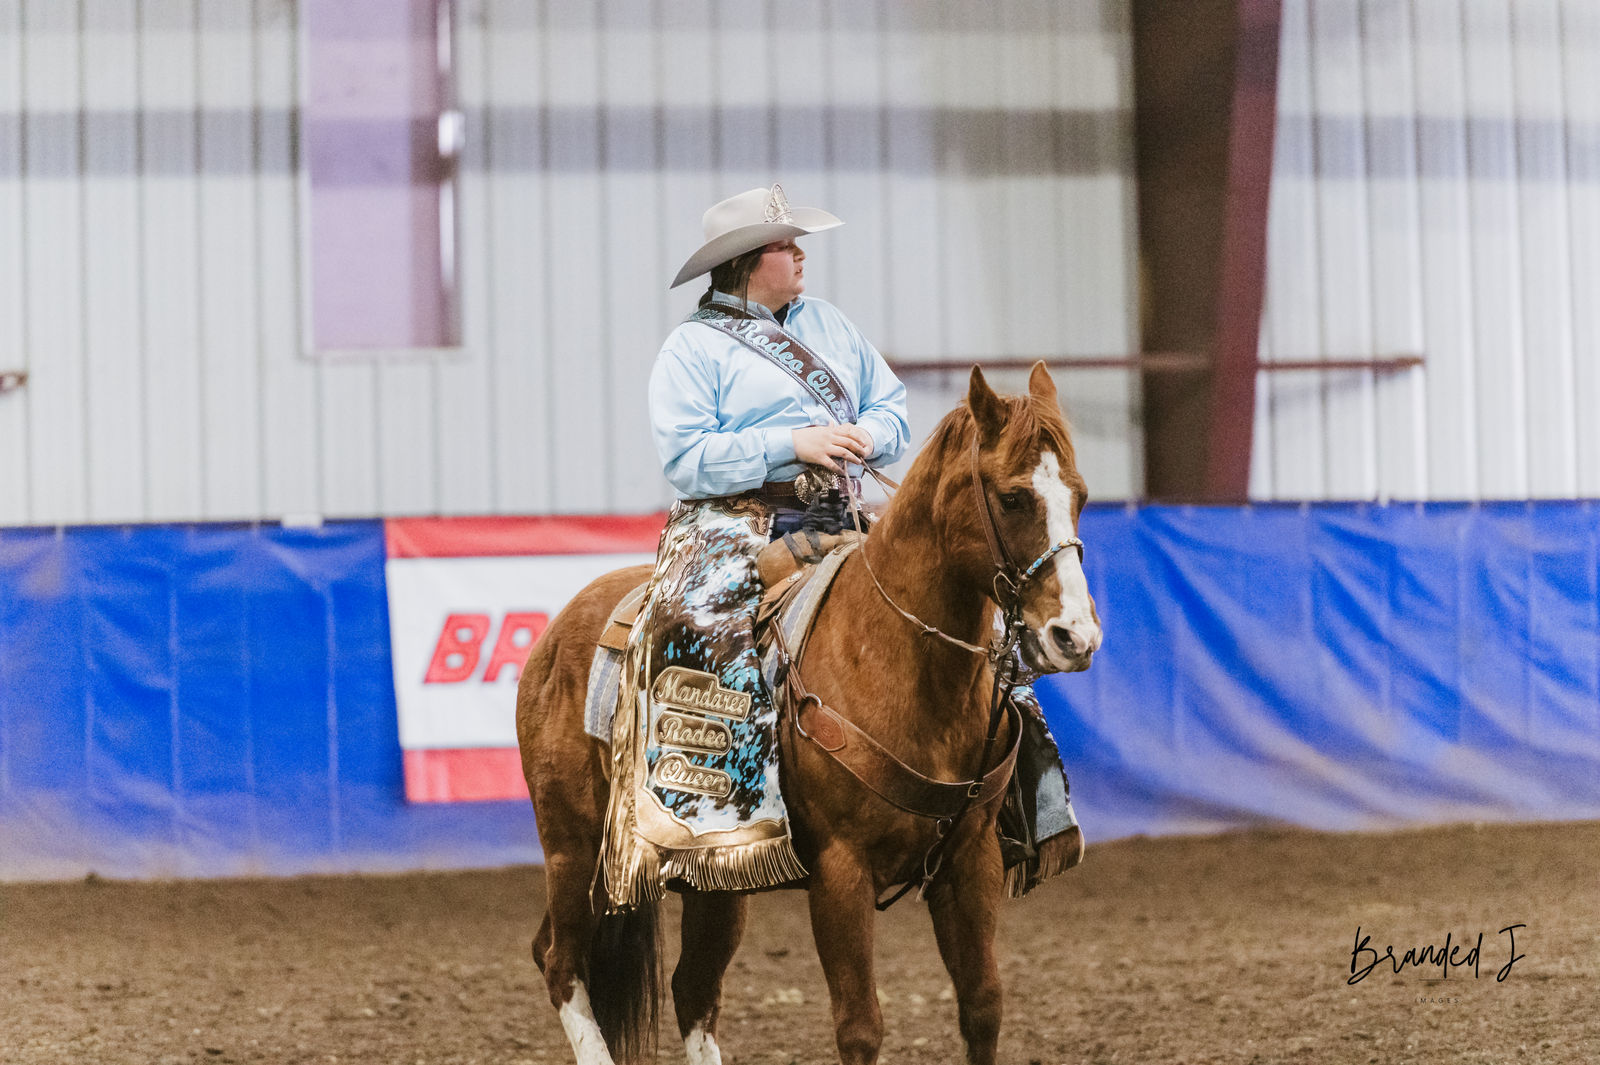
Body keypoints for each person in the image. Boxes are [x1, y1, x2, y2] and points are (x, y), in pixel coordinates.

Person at [601, 185, 910, 905]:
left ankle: (1009, 801)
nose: (800, 254)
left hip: (838, 510)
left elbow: (890, 407)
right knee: (693, 624)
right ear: (746, 261)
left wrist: (866, 436)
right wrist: (792, 443)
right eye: (784, 245)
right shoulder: (692, 347)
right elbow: (687, 459)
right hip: (731, 522)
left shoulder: (830, 323)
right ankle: (708, 815)